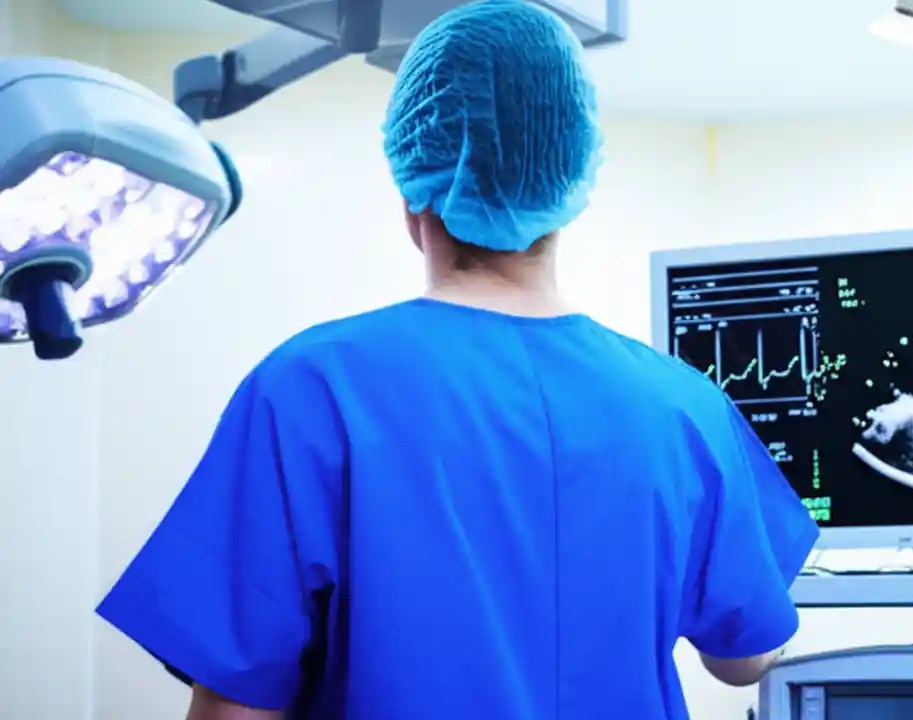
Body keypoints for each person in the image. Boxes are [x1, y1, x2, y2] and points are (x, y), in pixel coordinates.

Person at [96, 1, 819, 718]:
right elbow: (744, 658)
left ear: (416, 190)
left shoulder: (313, 389)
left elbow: (234, 711)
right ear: (569, 185)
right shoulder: (684, 408)